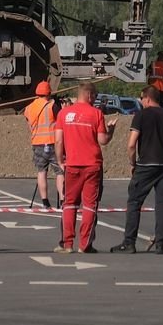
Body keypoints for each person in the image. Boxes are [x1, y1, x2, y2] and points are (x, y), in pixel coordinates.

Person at [112, 84, 163, 252]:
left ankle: (129, 242)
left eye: (142, 99)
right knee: (162, 204)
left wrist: (133, 164)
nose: (141, 102)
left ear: (148, 99)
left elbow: (131, 145)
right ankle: (160, 244)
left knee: (134, 201)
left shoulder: (140, 116)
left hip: (145, 166)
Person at [55, 81, 113, 253]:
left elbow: (58, 140)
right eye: (94, 97)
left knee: (69, 204)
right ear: (89, 95)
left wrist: (60, 161)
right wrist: (112, 131)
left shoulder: (64, 114)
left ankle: (67, 244)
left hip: (72, 164)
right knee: (89, 205)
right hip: (92, 165)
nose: (95, 100)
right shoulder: (96, 114)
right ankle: (84, 244)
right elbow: (103, 140)